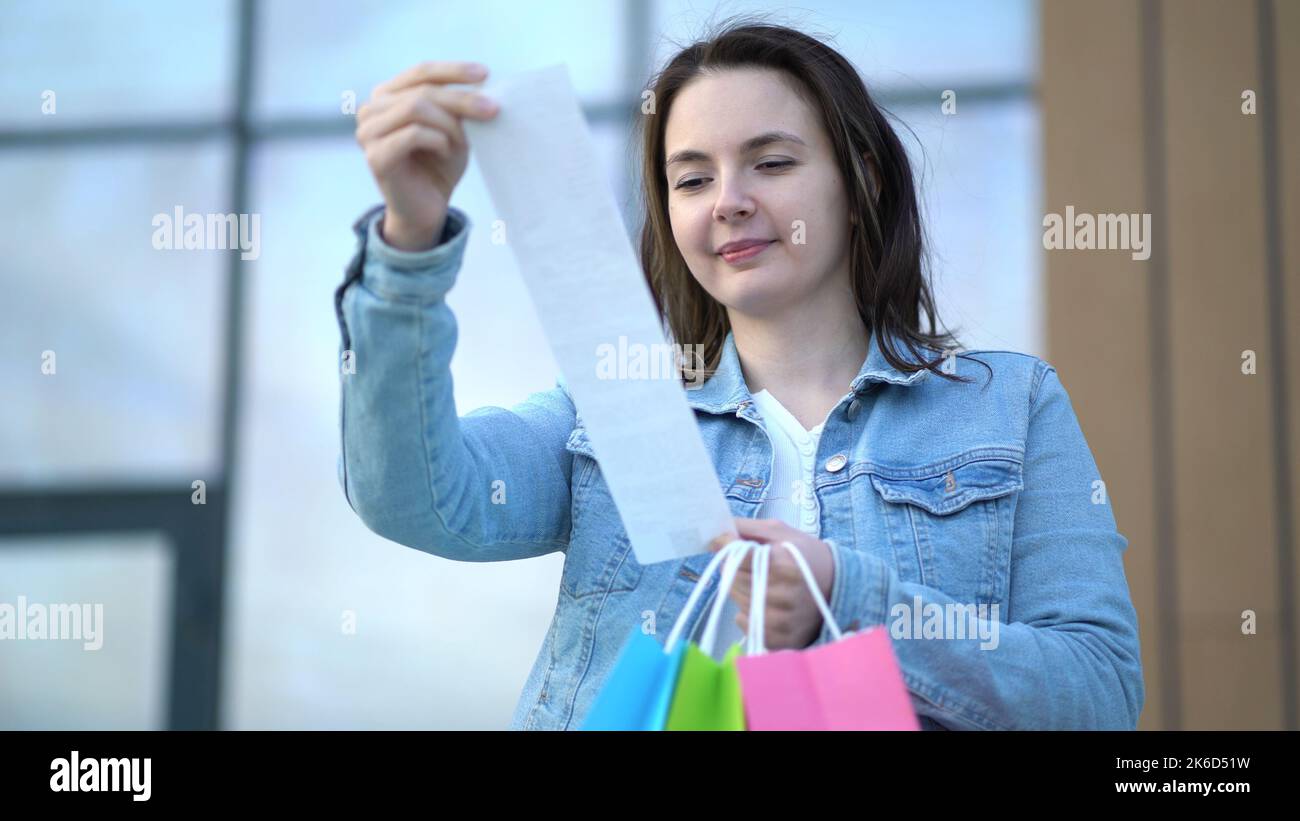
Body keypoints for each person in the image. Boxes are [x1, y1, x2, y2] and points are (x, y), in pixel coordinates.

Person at [335, 20, 1144, 730]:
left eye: (770, 162)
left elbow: (1099, 691)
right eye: (691, 179)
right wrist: (410, 239)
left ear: (859, 181)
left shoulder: (1009, 406)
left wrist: (848, 597)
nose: (728, 200)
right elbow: (413, 496)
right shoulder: (611, 414)